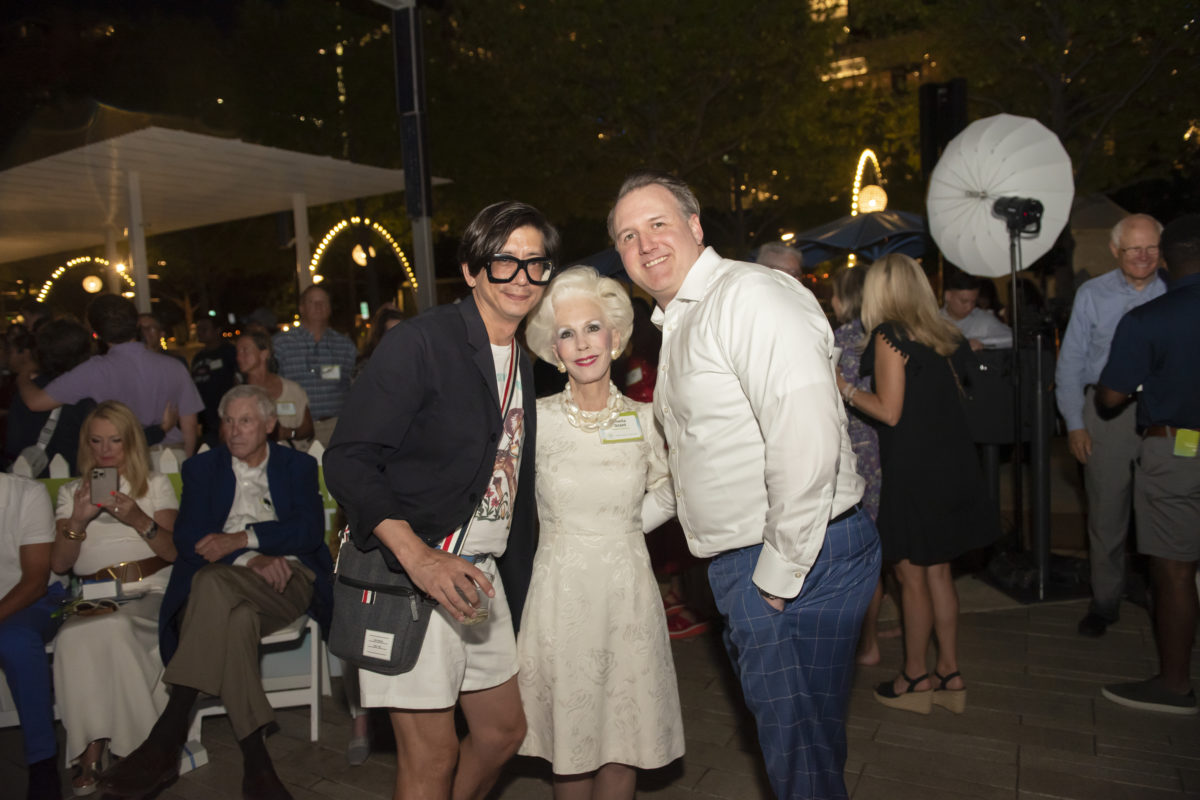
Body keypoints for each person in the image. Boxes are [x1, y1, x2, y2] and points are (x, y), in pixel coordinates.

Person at [609, 171, 879, 800]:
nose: (644, 244)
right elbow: (698, 462)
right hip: (765, 558)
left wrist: (779, 576)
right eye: (627, 235)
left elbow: (804, 434)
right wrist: (615, 524)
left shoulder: (749, 295)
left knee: (794, 752)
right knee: (807, 744)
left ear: (695, 226)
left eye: (658, 224)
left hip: (790, 556)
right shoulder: (680, 322)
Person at [324, 201, 553, 800]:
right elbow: (347, 459)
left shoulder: (522, 356)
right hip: (413, 571)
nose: (522, 278)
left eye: (536, 264)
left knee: (504, 731)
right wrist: (419, 558)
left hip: (478, 575)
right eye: (505, 263)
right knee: (432, 755)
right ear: (473, 269)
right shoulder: (421, 343)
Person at [97, 385, 332, 800]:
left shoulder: (295, 466)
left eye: (245, 421)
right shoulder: (202, 469)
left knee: (208, 583)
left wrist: (244, 539)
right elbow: (189, 538)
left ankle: (166, 736)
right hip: (230, 581)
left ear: (270, 425)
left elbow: (308, 531)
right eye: (227, 421)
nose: (235, 430)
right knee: (232, 613)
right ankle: (257, 767)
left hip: (287, 580)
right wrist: (247, 559)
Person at [519, 267, 683, 798]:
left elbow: (673, 489)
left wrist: (629, 526)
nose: (582, 343)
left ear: (615, 336)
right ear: (553, 348)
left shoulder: (644, 418)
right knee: (573, 744)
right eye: (567, 333)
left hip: (626, 592)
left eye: (592, 328)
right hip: (560, 592)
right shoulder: (532, 422)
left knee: (623, 732)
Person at [836, 254, 1001, 715]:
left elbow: (889, 411)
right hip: (952, 467)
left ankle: (914, 676)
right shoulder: (943, 335)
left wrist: (843, 388)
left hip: (914, 470)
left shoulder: (891, 336)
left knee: (910, 576)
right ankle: (949, 672)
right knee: (939, 573)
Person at [1095, 213, 1200, 715]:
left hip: (1177, 452)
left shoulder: (1149, 319)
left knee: (1175, 571)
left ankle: (1175, 683)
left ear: (1167, 258)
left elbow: (1111, 396)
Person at [50, 401, 179, 796]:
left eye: (115, 441)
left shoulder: (154, 485)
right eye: (97, 441)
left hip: (149, 590)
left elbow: (175, 552)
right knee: (72, 637)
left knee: (117, 628)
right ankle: (91, 747)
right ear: (87, 444)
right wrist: (77, 521)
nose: (106, 451)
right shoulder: (74, 492)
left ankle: (136, 749)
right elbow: (59, 564)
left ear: (131, 442)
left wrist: (139, 519)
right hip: (93, 598)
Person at [1055, 213, 1166, 638]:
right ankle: (1104, 600)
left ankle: (1164, 594)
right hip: (1105, 414)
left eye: (1151, 247)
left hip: (1161, 412)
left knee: (1163, 509)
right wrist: (1075, 424)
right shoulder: (1092, 294)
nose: (1143, 256)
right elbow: (1070, 366)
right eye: (1134, 248)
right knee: (1106, 511)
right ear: (1116, 251)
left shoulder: (1174, 294)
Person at [15, 294, 203, 458]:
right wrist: (186, 461)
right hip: (170, 452)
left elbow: (36, 402)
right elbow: (189, 424)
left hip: (120, 458)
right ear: (136, 323)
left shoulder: (93, 370)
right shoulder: (173, 366)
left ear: (96, 331)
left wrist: (23, 375)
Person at [829, 265, 888, 666]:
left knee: (851, 555)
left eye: (834, 293)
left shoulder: (840, 340)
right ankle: (869, 642)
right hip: (884, 451)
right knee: (875, 552)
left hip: (851, 453)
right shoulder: (884, 337)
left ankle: (860, 645)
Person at [0, 473, 67, 800]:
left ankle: (42, 763)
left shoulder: (26, 493)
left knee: (14, 639)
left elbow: (35, 581)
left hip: (44, 597)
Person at [4, 319, 95, 476]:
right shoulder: (92, 390)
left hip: (36, 477)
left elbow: (13, 444)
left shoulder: (28, 391)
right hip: (81, 476)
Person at [272, 285, 357, 448]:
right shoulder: (281, 344)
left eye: (323, 302)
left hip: (336, 429)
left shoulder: (345, 346)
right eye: (312, 302)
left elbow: (352, 386)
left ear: (330, 308)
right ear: (301, 308)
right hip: (295, 430)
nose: (318, 307)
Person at [237, 331, 314, 447]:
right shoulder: (237, 395)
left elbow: (308, 430)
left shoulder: (292, 389)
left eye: (245, 350)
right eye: (237, 352)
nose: (239, 357)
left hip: (292, 456)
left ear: (264, 354)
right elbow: (224, 434)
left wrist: (288, 433)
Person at [191, 316, 238, 448]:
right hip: (206, 420)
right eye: (198, 329)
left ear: (217, 331)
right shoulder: (198, 357)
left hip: (225, 416)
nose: (200, 332)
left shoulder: (229, 352)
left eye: (204, 329)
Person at [940, 266, 1012, 350]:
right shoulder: (932, 320)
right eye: (964, 301)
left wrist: (982, 342)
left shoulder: (983, 319)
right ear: (948, 296)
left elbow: (1011, 338)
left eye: (973, 302)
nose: (969, 307)